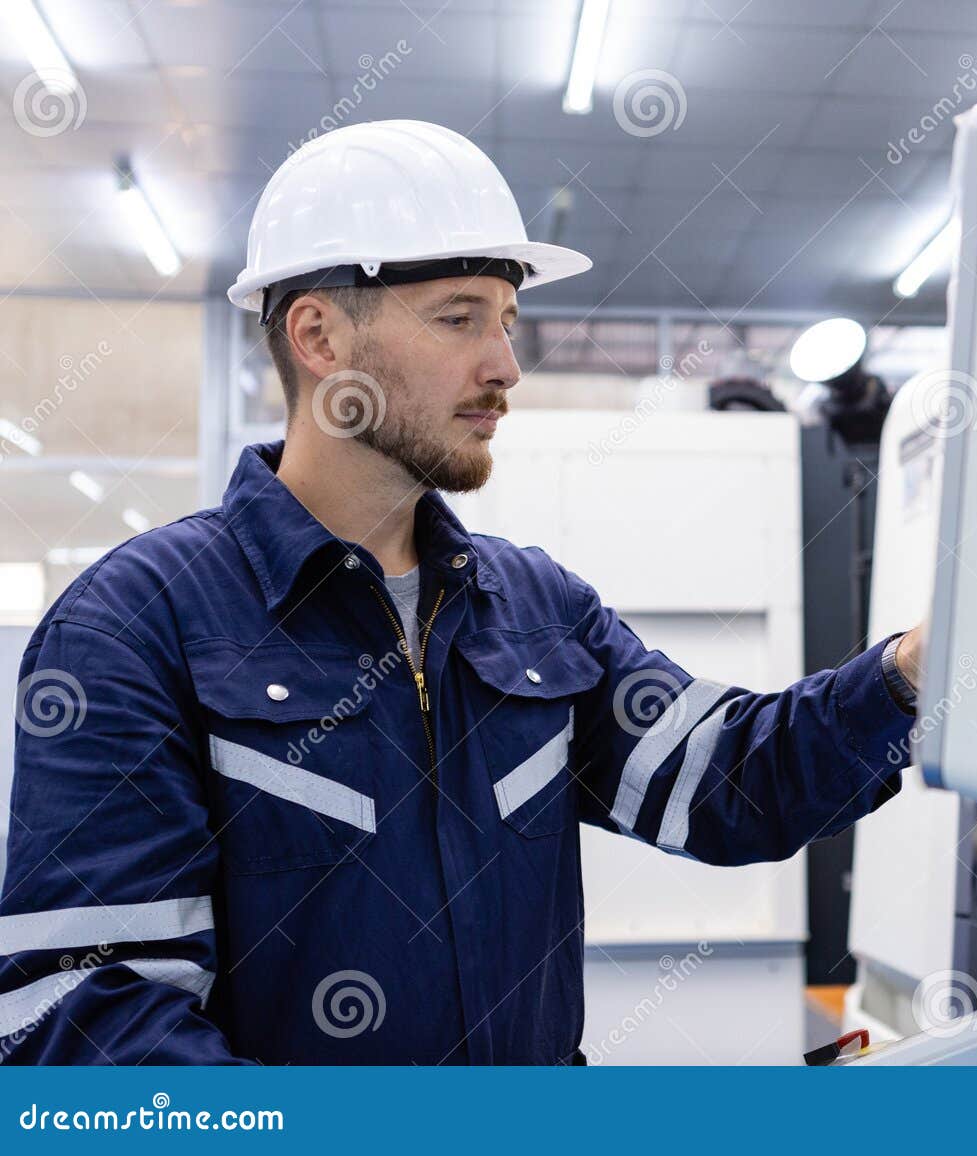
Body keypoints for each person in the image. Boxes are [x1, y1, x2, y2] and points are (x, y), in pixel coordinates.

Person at [0, 121, 922, 1064]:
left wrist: (907, 674)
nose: (506, 368)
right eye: (460, 317)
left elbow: (730, 783)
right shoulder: (136, 625)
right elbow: (86, 1016)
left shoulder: (533, 607)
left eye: (508, 323)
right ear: (319, 335)